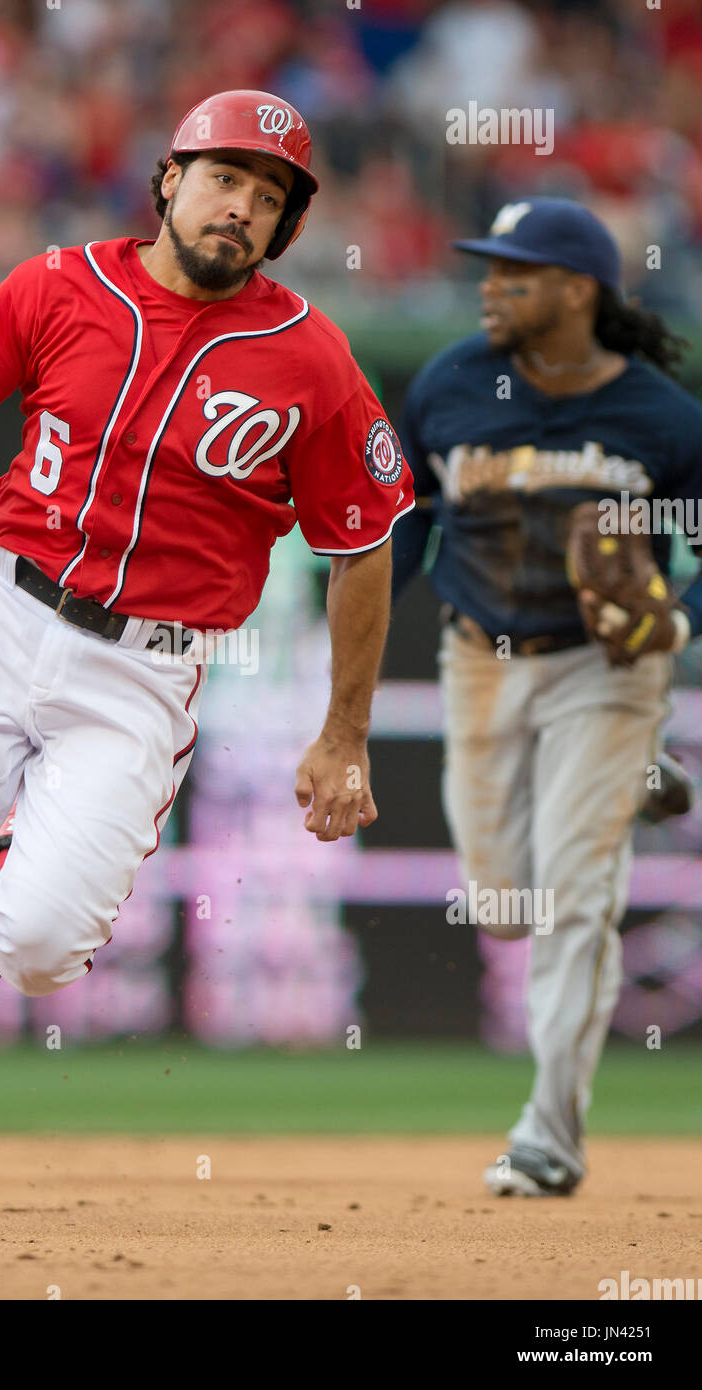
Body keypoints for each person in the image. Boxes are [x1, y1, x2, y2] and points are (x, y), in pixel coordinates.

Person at [0, 90, 413, 1230]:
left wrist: (341, 732)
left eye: (267, 200)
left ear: (284, 229)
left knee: (44, 951)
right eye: (223, 180)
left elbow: (362, 546)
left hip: (143, 670)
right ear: (168, 180)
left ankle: (1, 880)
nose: (239, 210)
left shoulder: (308, 357)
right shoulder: (58, 284)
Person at [392, 197, 702, 1197]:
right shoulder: (450, 386)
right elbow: (397, 527)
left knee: (571, 900)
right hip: (478, 660)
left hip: (603, 673)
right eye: (487, 269)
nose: (488, 287)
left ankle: (546, 1137)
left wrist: (679, 620)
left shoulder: (661, 416)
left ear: (575, 291)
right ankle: (633, 774)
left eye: (511, 273)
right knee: (502, 902)